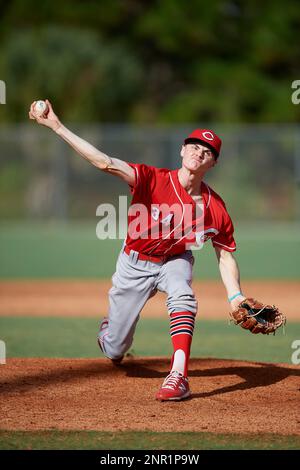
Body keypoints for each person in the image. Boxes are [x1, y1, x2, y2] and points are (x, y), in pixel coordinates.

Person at [29, 100, 246, 401]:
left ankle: (178, 376)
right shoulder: (152, 179)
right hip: (134, 264)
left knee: (183, 293)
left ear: (213, 163)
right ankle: (111, 334)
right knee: (115, 348)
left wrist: (236, 295)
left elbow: (224, 253)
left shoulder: (215, 207)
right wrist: (57, 127)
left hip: (175, 259)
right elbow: (104, 162)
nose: (200, 152)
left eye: (207, 152)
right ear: (183, 150)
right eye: (195, 146)